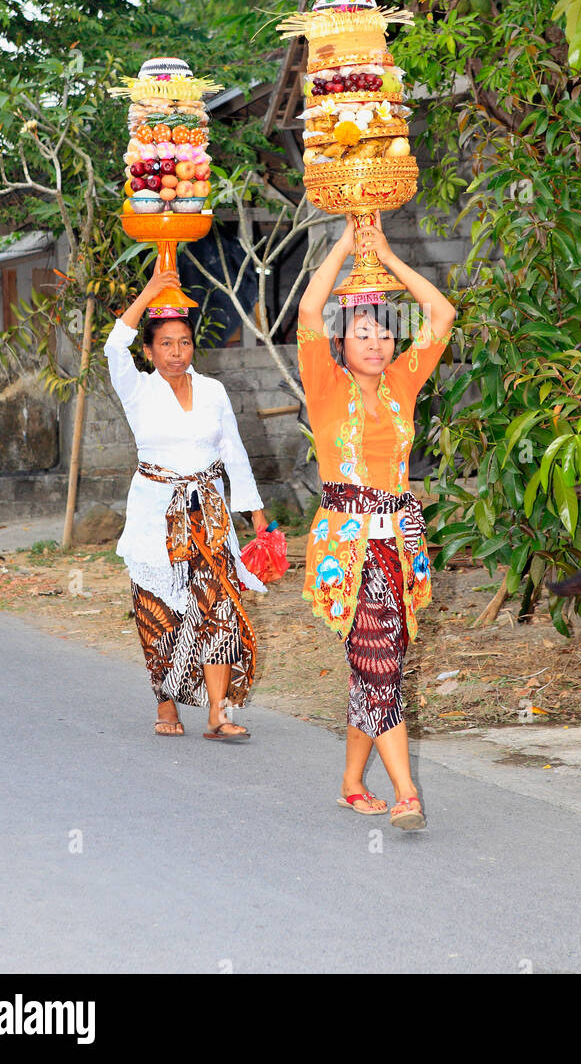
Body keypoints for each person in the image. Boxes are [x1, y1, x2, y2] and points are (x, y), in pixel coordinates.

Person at [297, 214, 456, 829]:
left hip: (401, 545)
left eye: (383, 333)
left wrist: (386, 257)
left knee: (378, 664)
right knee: (380, 664)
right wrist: (343, 246)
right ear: (342, 342)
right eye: (361, 333)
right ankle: (406, 794)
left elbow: (440, 315)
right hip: (346, 546)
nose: (374, 343)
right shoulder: (325, 386)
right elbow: (311, 310)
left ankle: (349, 782)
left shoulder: (403, 384)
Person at [104, 260, 267, 740]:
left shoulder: (214, 391)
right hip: (157, 514)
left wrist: (256, 514)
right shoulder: (137, 390)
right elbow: (115, 344)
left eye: (184, 343)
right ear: (150, 350)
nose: (176, 353)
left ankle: (218, 714)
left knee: (219, 605)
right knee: (160, 614)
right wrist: (151, 289)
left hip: (209, 513)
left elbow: (233, 452)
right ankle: (167, 704)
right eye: (166, 344)